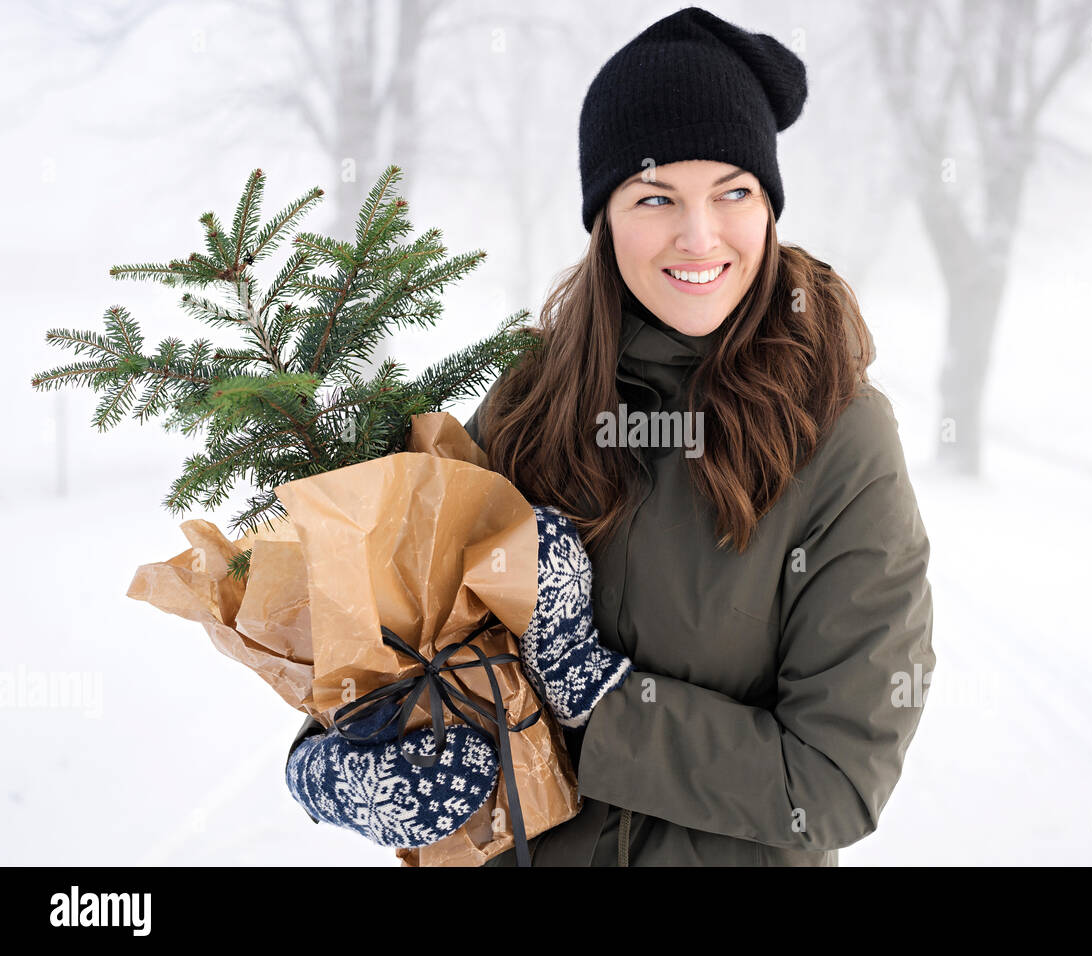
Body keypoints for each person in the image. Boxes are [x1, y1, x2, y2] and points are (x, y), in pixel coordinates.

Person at [286, 5, 936, 867]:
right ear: (604, 218)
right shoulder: (528, 403)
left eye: (733, 192)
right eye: (656, 196)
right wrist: (338, 768)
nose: (699, 236)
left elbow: (834, 782)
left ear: (770, 208)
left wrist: (595, 690)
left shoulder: (840, 437)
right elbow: (395, 640)